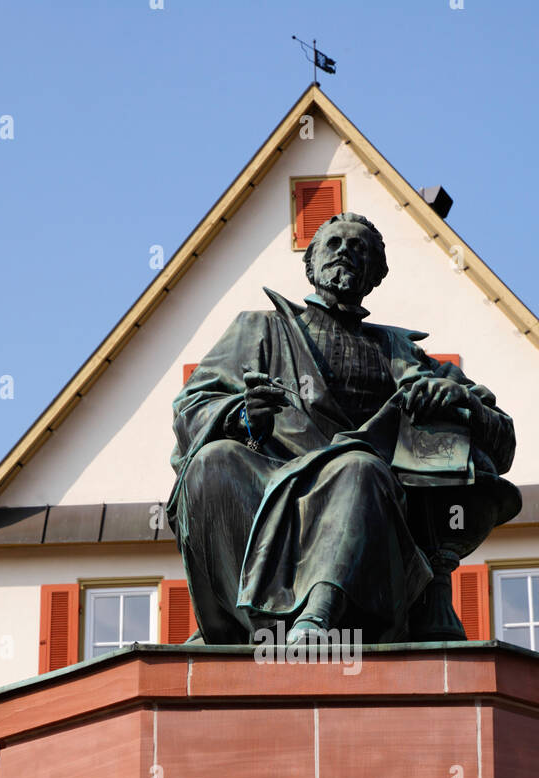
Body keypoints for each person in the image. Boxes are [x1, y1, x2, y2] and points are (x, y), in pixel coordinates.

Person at [167, 212, 520, 645]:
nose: (346, 252)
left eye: (361, 248)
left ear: (375, 274)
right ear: (310, 265)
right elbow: (192, 408)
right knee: (210, 462)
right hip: (270, 482)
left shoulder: (401, 353)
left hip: (364, 503)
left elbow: (502, 441)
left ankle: (317, 618)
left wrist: (460, 402)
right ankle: (249, 627)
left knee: (358, 467)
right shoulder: (261, 329)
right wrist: (243, 416)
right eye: (333, 243)